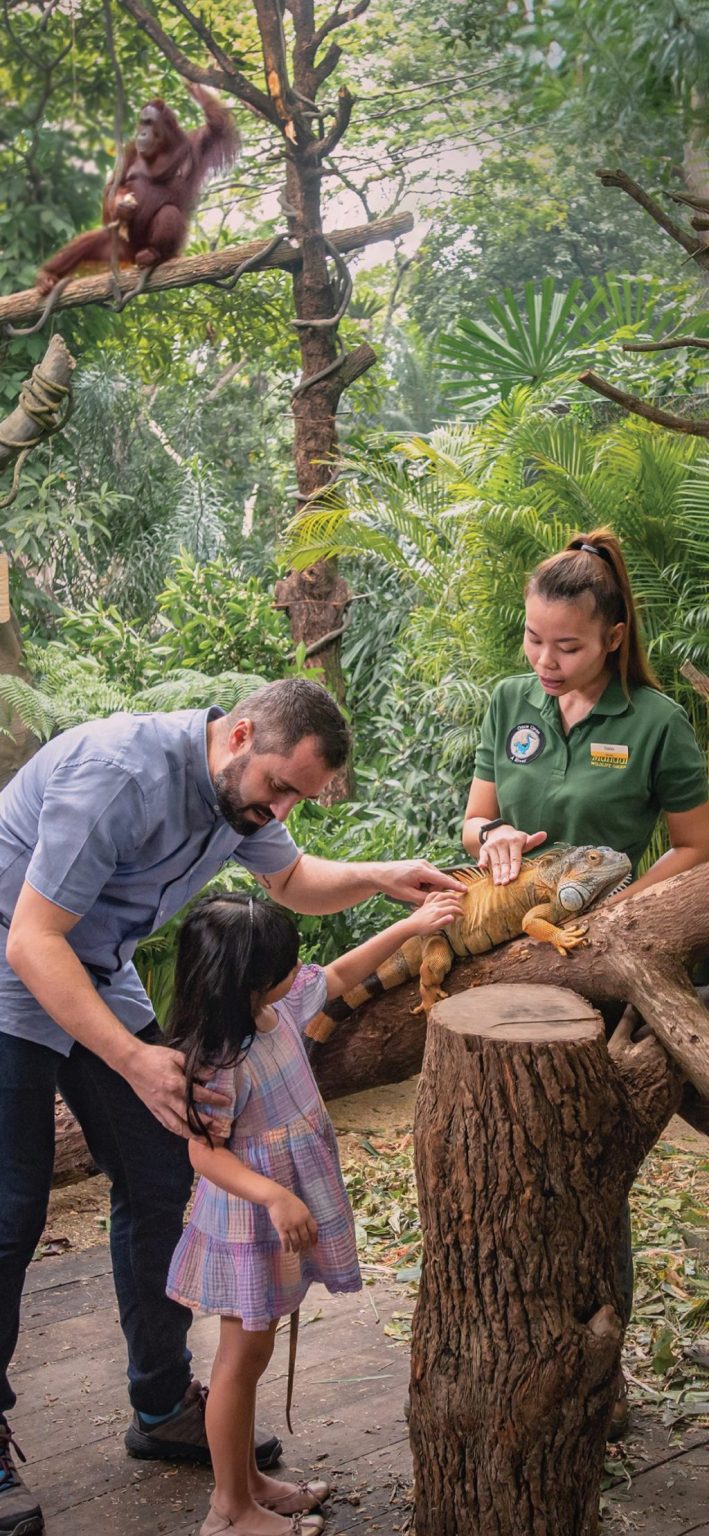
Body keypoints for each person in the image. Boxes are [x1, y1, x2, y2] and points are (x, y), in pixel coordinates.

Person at [0, 677, 461, 1536]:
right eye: (281, 787)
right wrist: (136, 1058)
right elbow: (33, 940)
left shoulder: (240, 796)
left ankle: (163, 1399)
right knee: (11, 1212)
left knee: (157, 1175)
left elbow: (291, 882)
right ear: (239, 734)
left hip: (95, 966)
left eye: (300, 796)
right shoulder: (120, 775)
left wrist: (381, 877)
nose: (281, 808)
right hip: (13, 967)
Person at [461, 527, 709, 1437]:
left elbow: (694, 846)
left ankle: (594, 1369)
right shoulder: (508, 701)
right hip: (508, 958)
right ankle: (514, 1350)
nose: (545, 659)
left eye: (566, 645)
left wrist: (609, 923)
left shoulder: (654, 722)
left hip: (600, 960)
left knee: (586, 1168)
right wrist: (486, 839)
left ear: (610, 635)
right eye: (533, 639)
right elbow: (477, 815)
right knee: (504, 1158)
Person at [165, 884, 464, 1536]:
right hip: (253, 1220)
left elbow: (339, 972)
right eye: (280, 968)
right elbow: (204, 1156)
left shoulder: (274, 1009)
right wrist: (274, 1194)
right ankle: (229, 1509)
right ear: (245, 982)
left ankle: (247, 1481)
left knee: (254, 1355)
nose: (294, 975)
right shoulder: (215, 1060)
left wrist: (412, 924)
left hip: (281, 1212)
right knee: (238, 1364)